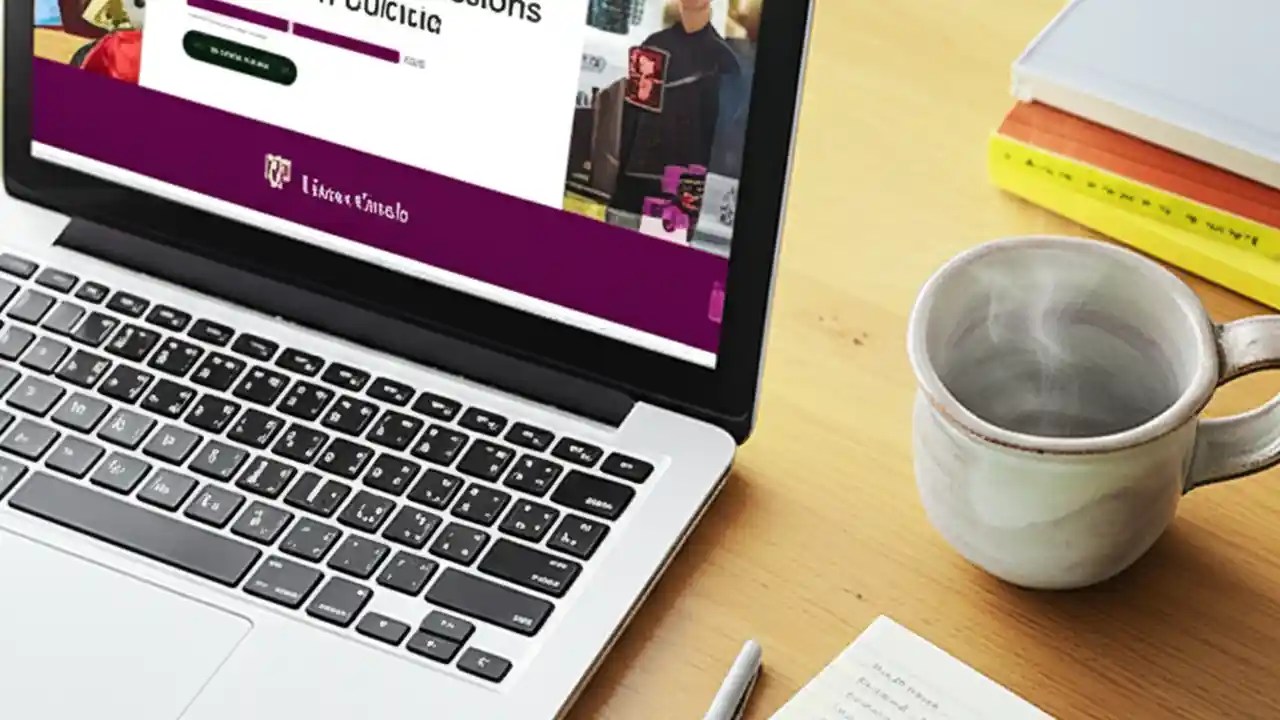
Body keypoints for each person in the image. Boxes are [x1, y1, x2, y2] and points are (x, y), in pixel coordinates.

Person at [606, 0, 740, 232]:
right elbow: (630, 121)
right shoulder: (654, 46)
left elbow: (721, 138)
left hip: (681, 194)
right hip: (637, 185)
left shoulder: (723, 61)